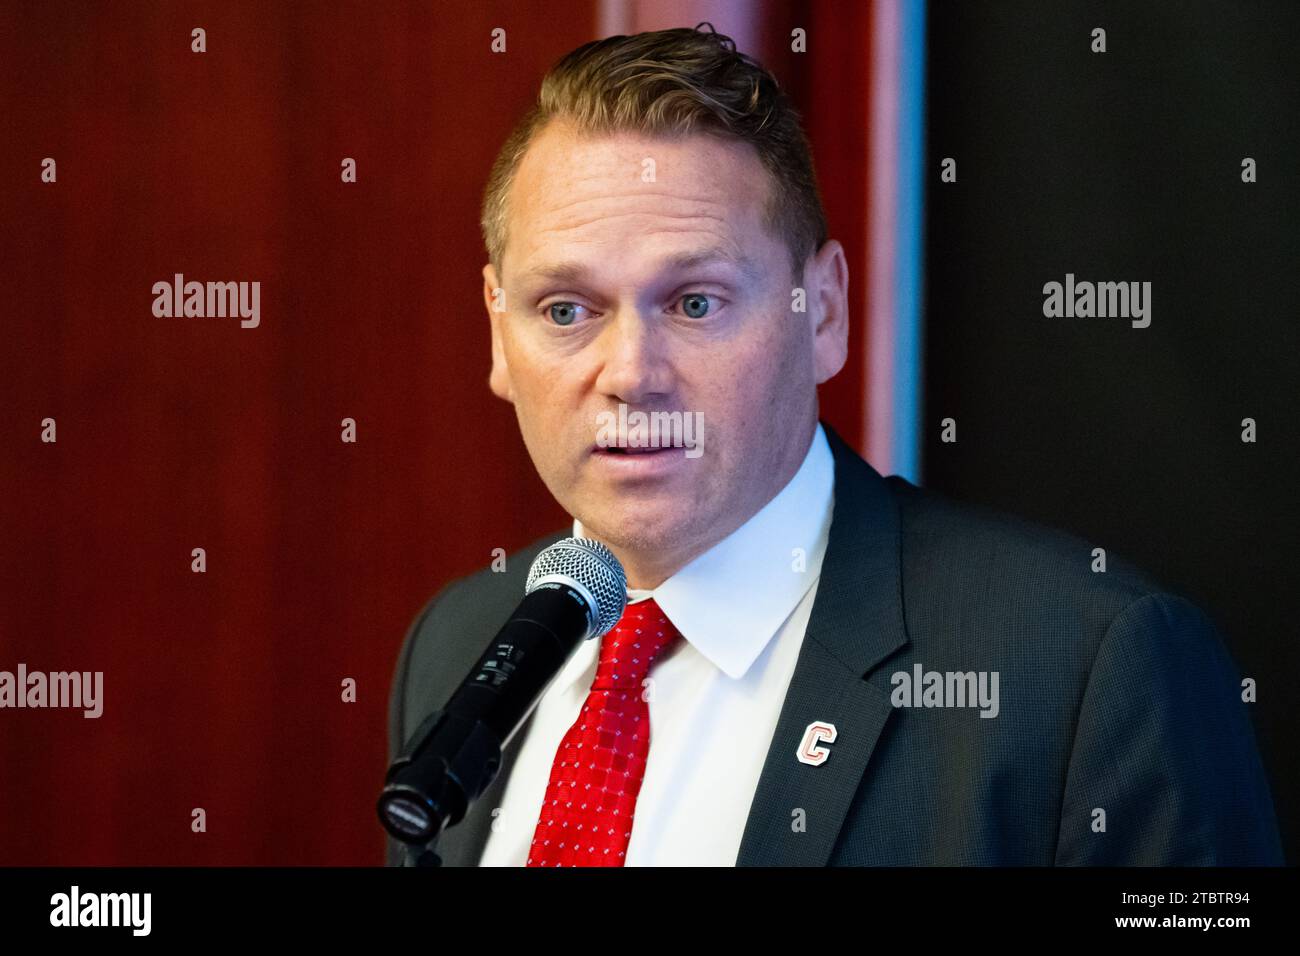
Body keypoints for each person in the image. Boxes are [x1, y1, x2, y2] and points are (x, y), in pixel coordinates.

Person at [386, 24, 1283, 866]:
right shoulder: (456, 642)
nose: (631, 373)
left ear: (826, 310)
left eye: (695, 302)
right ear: (501, 338)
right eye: (566, 310)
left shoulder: (1090, 671)